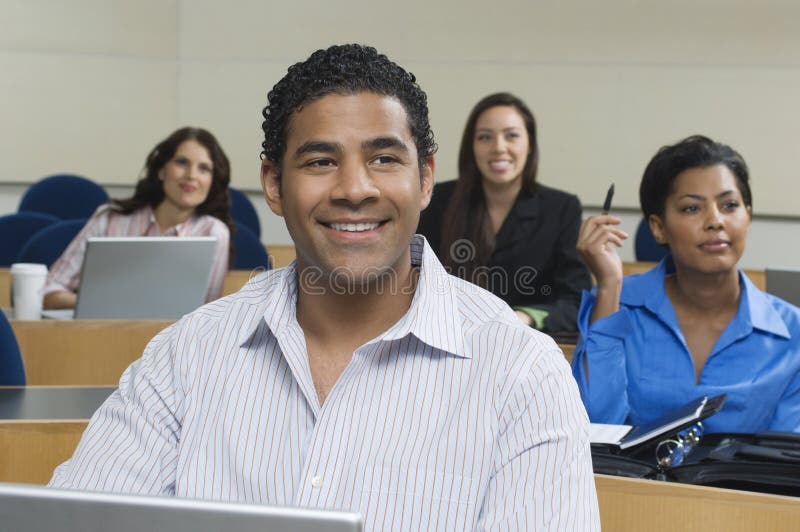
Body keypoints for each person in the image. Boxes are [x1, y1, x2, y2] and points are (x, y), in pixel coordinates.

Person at [49, 44, 599, 530]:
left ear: (426, 178)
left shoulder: (521, 371)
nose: (354, 188)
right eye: (320, 160)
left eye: (384, 158)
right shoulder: (186, 356)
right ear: (273, 184)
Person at [572, 135, 800, 434]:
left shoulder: (792, 332)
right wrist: (609, 286)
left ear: (748, 217)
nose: (715, 221)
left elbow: (785, 461)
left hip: (742, 483)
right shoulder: (617, 303)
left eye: (729, 205)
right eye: (692, 208)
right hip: (629, 482)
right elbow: (594, 427)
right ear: (658, 228)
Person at [417, 93, 591, 334]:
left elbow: (575, 301)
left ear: (530, 145)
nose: (498, 148)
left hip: (526, 344)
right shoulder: (436, 200)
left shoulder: (561, 208)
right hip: (448, 337)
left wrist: (524, 317)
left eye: (512, 136)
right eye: (485, 137)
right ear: (472, 147)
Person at [42, 127, 233, 307]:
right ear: (161, 170)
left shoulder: (215, 232)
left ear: (212, 181)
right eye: (182, 162)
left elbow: (209, 315)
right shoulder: (109, 219)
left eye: (204, 168)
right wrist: (99, 305)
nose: (192, 175)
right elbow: (49, 291)